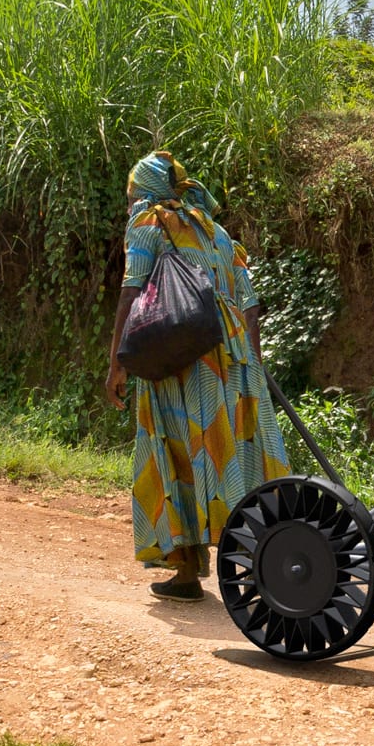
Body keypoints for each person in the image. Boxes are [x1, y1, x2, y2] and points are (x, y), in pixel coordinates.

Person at [104, 150, 289, 602]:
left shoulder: (150, 222)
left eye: (133, 192)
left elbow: (133, 289)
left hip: (180, 358)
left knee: (176, 453)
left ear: (145, 191)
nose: (131, 200)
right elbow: (248, 302)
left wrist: (117, 363)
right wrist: (252, 363)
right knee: (237, 457)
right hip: (234, 357)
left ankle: (186, 572)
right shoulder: (217, 232)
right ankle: (267, 565)